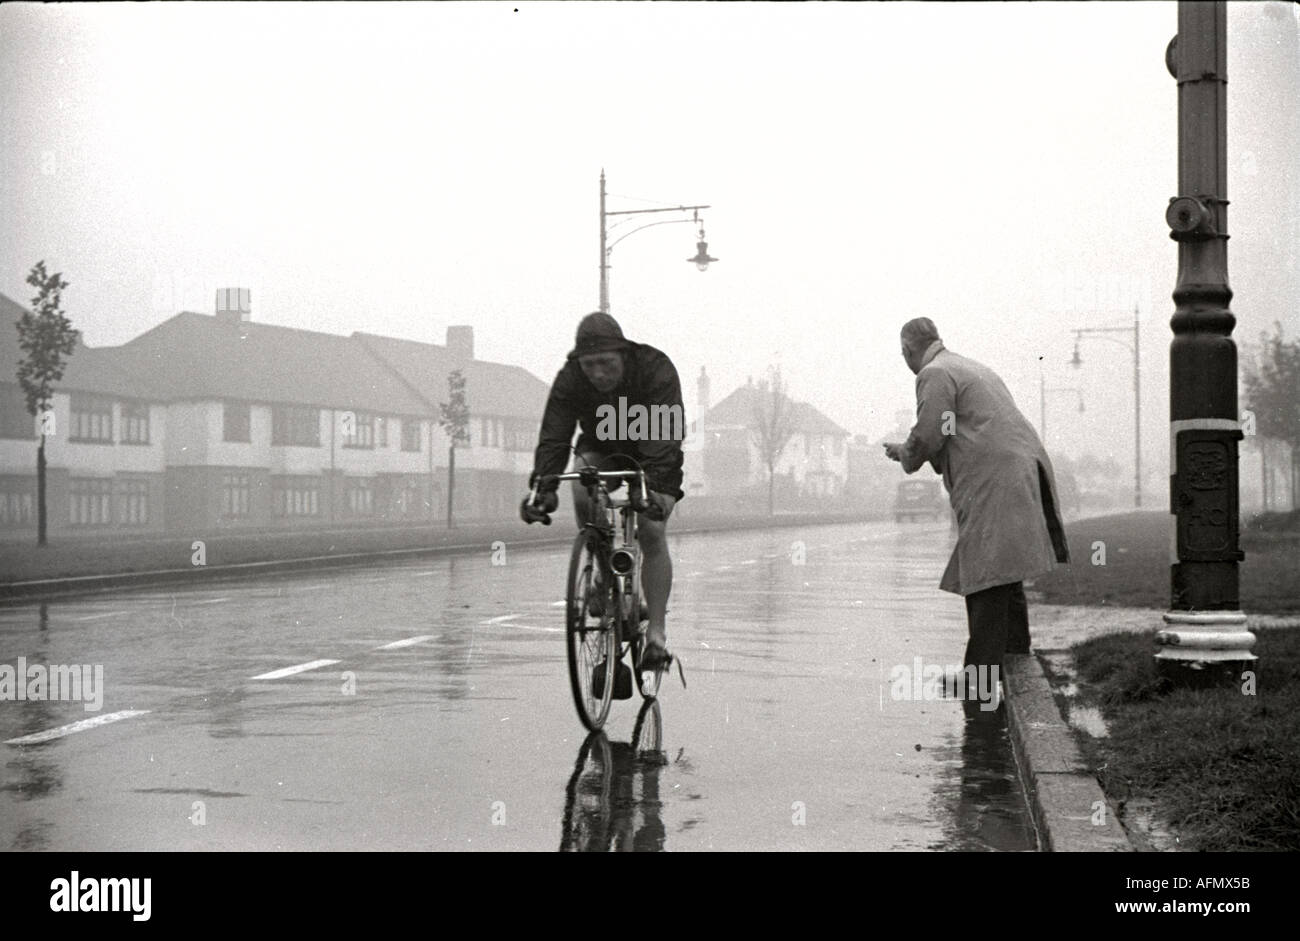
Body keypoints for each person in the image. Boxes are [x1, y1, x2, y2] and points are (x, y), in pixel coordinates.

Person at [883, 318, 1069, 711]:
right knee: (1006, 567)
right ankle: (1013, 655)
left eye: (903, 355)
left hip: (992, 477)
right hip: (1017, 468)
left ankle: (979, 681)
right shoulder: (970, 367)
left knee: (985, 574)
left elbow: (932, 432)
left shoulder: (933, 374)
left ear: (907, 351)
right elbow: (955, 427)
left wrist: (906, 453)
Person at [521, 311, 685, 682]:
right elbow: (555, 434)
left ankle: (656, 637)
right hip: (602, 445)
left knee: (651, 528)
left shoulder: (654, 369)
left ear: (623, 356)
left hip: (653, 444)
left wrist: (656, 488)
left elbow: (665, 432)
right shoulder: (571, 378)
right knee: (581, 486)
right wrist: (544, 488)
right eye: (589, 365)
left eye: (606, 363)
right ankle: (602, 568)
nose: (597, 373)